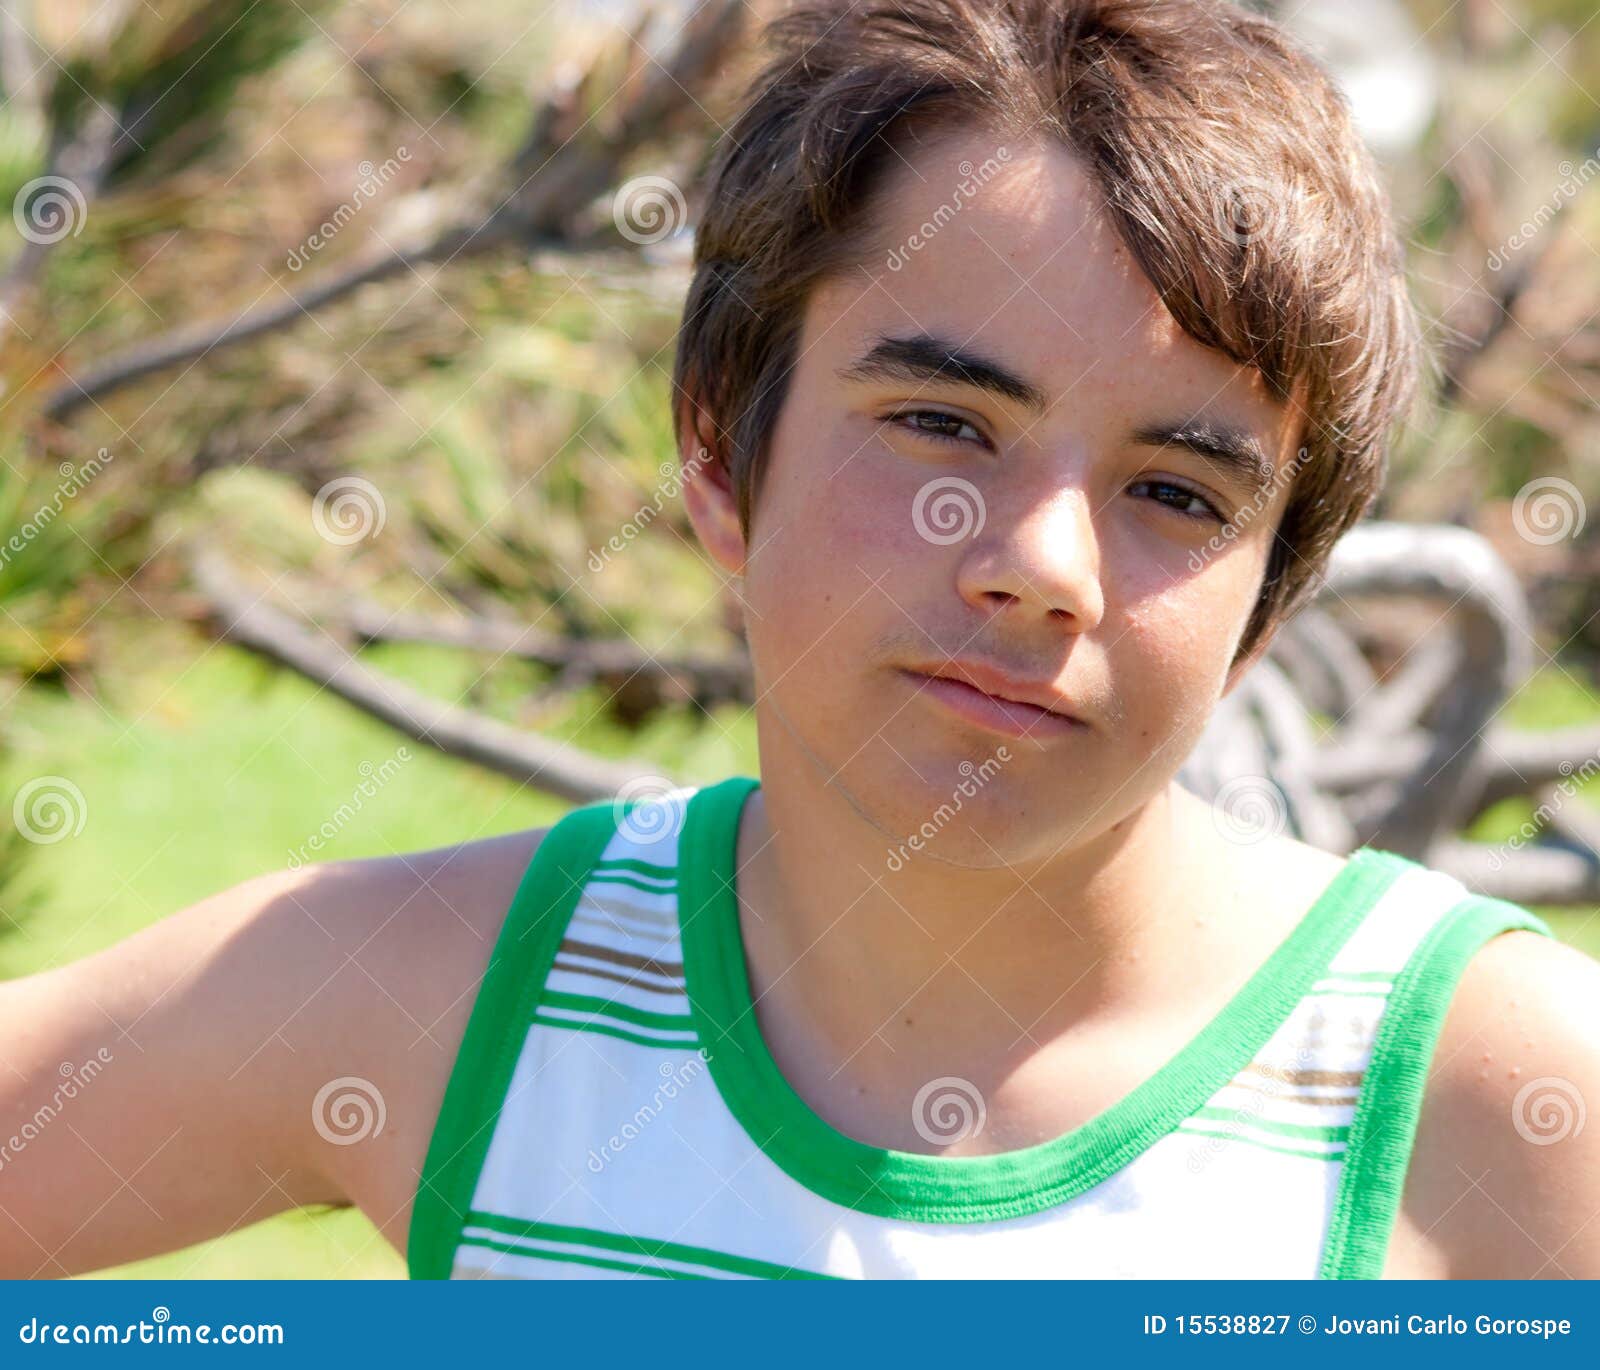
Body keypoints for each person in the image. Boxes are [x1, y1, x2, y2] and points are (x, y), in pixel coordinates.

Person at [5, 0, 1597, 1281]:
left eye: (1176, 489)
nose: (1045, 565)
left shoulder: (1489, 1094)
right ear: (717, 450)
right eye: (941, 422)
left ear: (1273, 591)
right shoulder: (458, 1005)